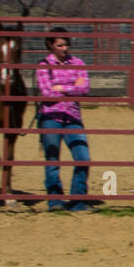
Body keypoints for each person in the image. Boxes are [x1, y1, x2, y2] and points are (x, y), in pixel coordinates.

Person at [35, 27, 91, 212]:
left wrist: (60, 88)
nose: (65, 48)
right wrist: (71, 87)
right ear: (50, 45)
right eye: (60, 45)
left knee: (83, 158)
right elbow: (47, 93)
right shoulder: (44, 66)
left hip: (72, 116)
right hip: (52, 117)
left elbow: (84, 89)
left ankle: (77, 200)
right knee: (52, 159)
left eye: (66, 44)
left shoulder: (77, 62)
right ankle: (55, 200)